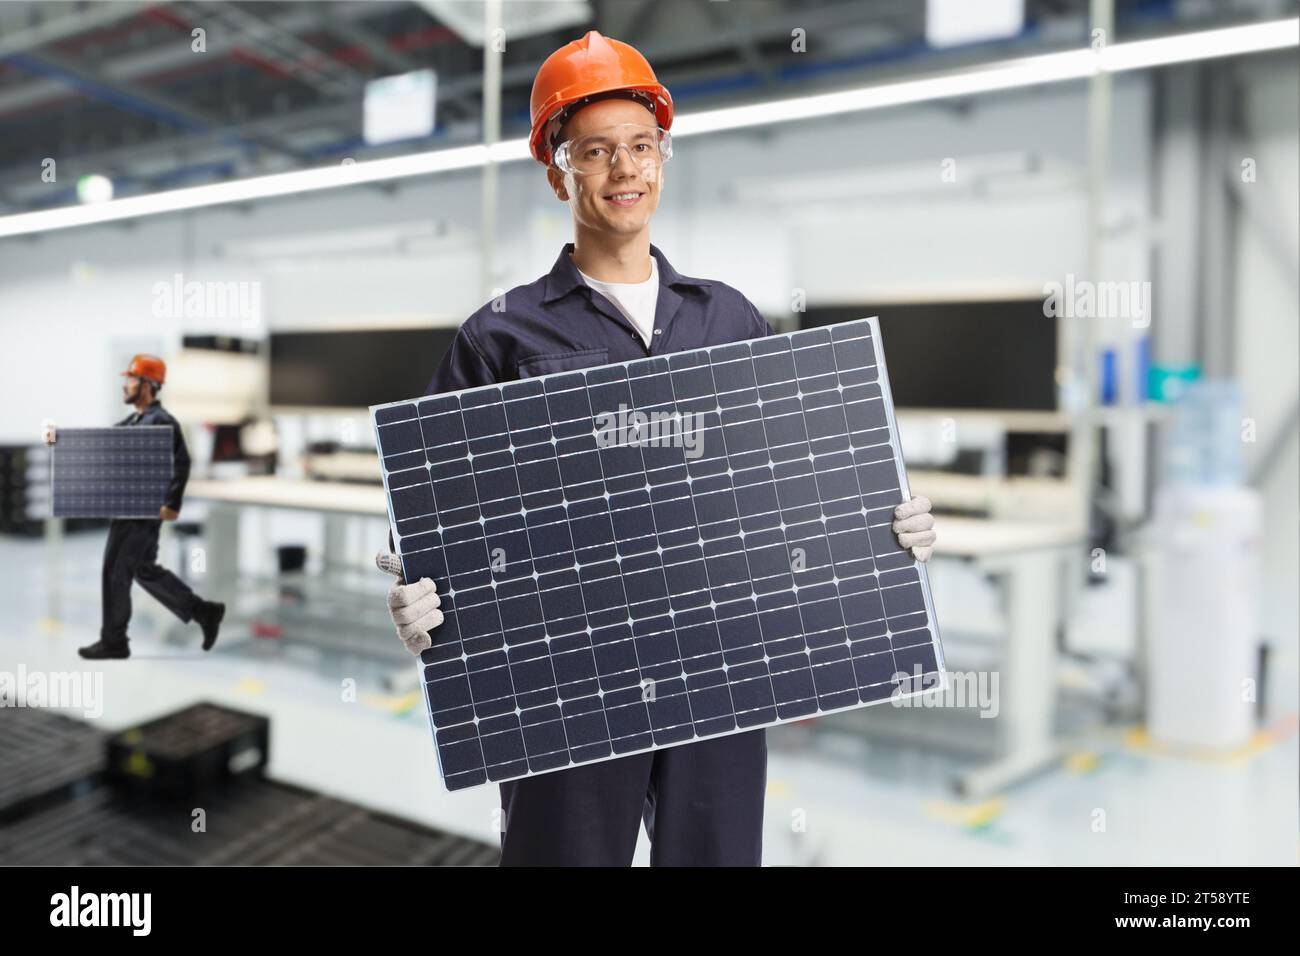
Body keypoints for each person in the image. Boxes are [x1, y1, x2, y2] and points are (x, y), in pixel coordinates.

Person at [382, 31, 937, 866]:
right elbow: (433, 514)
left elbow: (787, 482)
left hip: (717, 663)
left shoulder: (730, 318)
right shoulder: (498, 333)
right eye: (597, 152)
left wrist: (880, 530)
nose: (624, 170)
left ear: (664, 160)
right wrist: (414, 593)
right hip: (566, 679)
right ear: (557, 169)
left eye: (642, 147)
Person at [44, 354, 225, 660]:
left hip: (142, 514)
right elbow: (102, 443)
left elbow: (182, 462)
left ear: (147, 385)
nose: (124, 386)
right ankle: (204, 611)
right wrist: (58, 440)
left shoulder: (162, 421)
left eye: (130, 379)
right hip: (131, 509)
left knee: (115, 571)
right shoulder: (135, 420)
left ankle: (114, 641)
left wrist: (172, 503)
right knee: (144, 570)